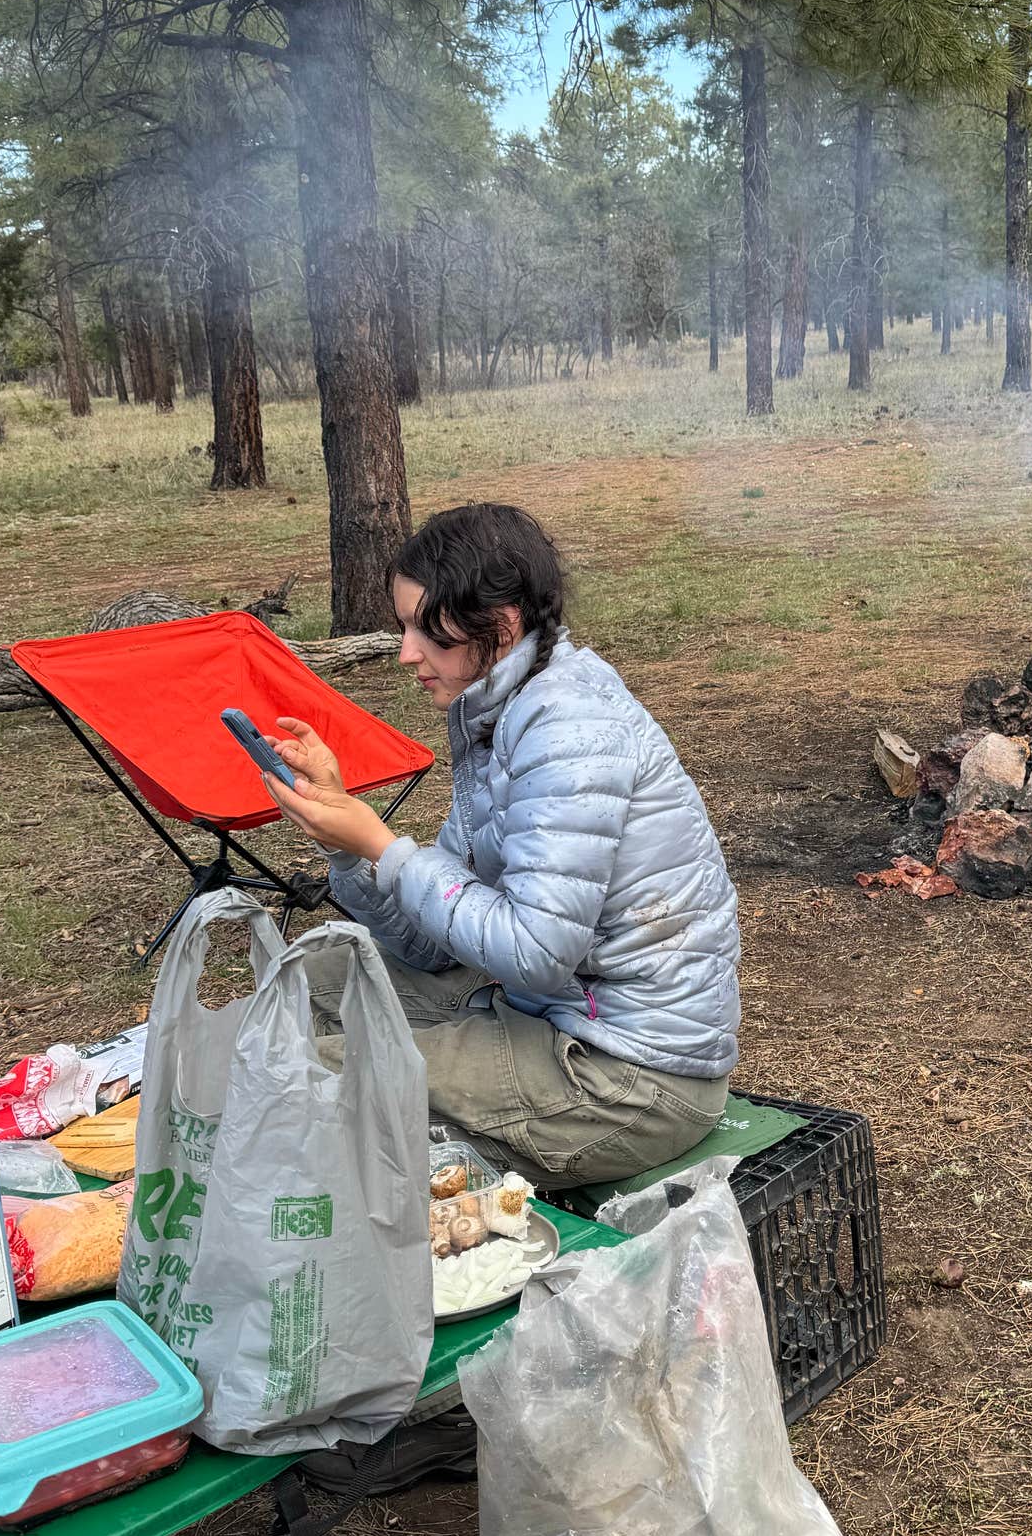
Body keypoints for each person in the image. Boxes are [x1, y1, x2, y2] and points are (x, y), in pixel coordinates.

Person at [260, 502, 741, 1189]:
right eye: (402, 627)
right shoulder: (502, 715)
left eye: (426, 630)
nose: (405, 654)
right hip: (555, 1013)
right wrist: (350, 845)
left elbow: (538, 953)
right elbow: (427, 945)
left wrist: (384, 845)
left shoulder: (567, 726)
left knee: (311, 1078)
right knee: (312, 980)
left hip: (631, 1074)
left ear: (502, 624)